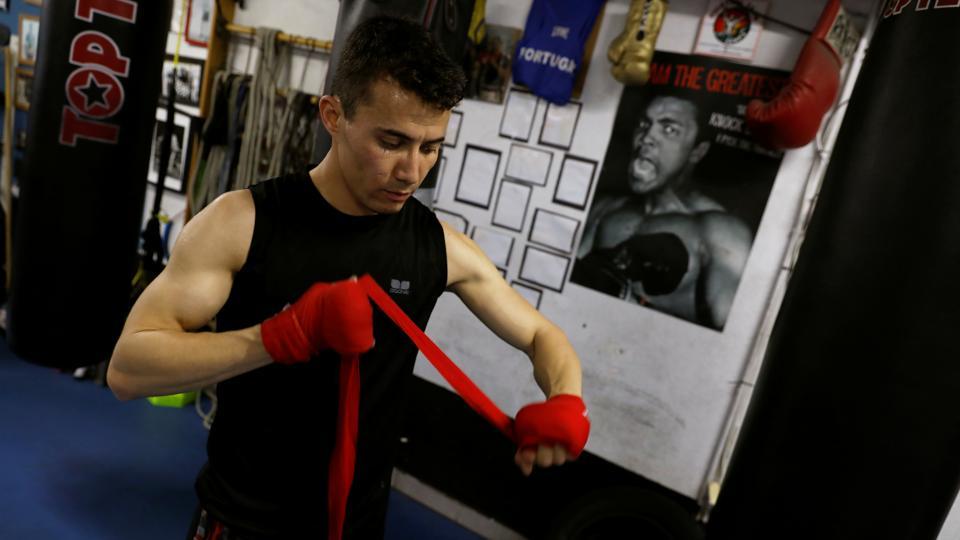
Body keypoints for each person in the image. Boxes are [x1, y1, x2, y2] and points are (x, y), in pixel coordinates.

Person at [107, 16, 587, 539]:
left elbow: (542, 336)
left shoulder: (439, 247)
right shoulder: (242, 223)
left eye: (430, 147)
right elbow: (128, 369)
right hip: (241, 522)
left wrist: (565, 399)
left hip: (356, 528)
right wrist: (280, 336)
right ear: (333, 116)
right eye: (392, 141)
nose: (411, 171)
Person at [573, 93, 752, 330]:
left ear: (697, 151)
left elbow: (730, 337)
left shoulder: (721, 231)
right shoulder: (606, 208)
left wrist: (629, 303)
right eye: (644, 124)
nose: (646, 137)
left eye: (669, 130)